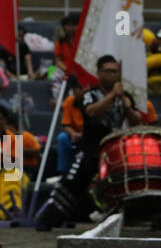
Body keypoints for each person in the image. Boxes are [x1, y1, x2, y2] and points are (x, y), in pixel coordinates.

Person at [35, 54, 140, 230]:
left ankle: (121, 219)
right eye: (108, 71)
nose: (112, 75)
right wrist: (112, 95)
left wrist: (125, 103)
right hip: (91, 146)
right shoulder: (89, 94)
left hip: (115, 148)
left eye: (115, 72)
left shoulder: (124, 95)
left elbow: (136, 120)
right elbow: (92, 112)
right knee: (73, 179)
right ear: (98, 73)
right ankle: (48, 220)